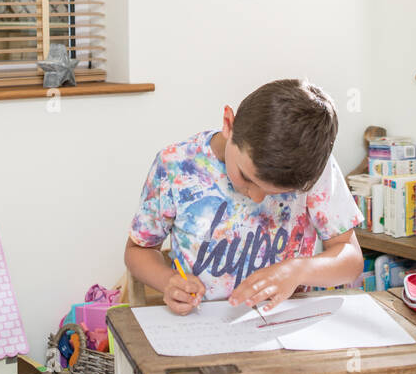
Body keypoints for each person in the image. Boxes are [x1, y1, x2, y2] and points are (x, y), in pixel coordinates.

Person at [124, 78, 364, 315]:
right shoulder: (175, 166)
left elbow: (351, 260)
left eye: (277, 193)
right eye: (247, 178)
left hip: (284, 324)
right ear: (229, 124)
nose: (257, 198)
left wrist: (299, 269)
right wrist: (168, 281)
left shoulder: (315, 171)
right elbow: (138, 251)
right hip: (203, 327)